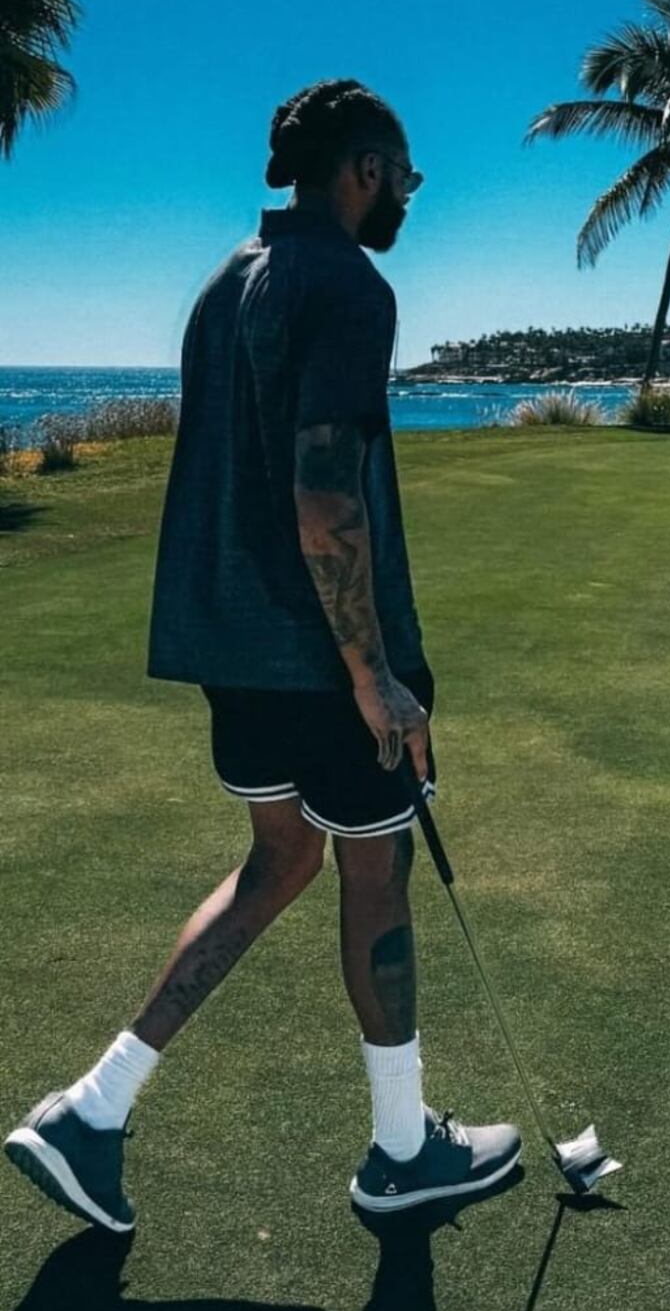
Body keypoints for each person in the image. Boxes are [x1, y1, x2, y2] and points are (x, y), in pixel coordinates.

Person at [3, 79, 522, 1233]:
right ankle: (403, 1153)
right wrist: (372, 672)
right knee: (372, 869)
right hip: (316, 657)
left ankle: (93, 1108)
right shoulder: (348, 282)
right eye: (408, 178)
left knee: (278, 861)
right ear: (367, 168)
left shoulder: (221, 282)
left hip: (235, 653)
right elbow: (325, 494)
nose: (410, 200)